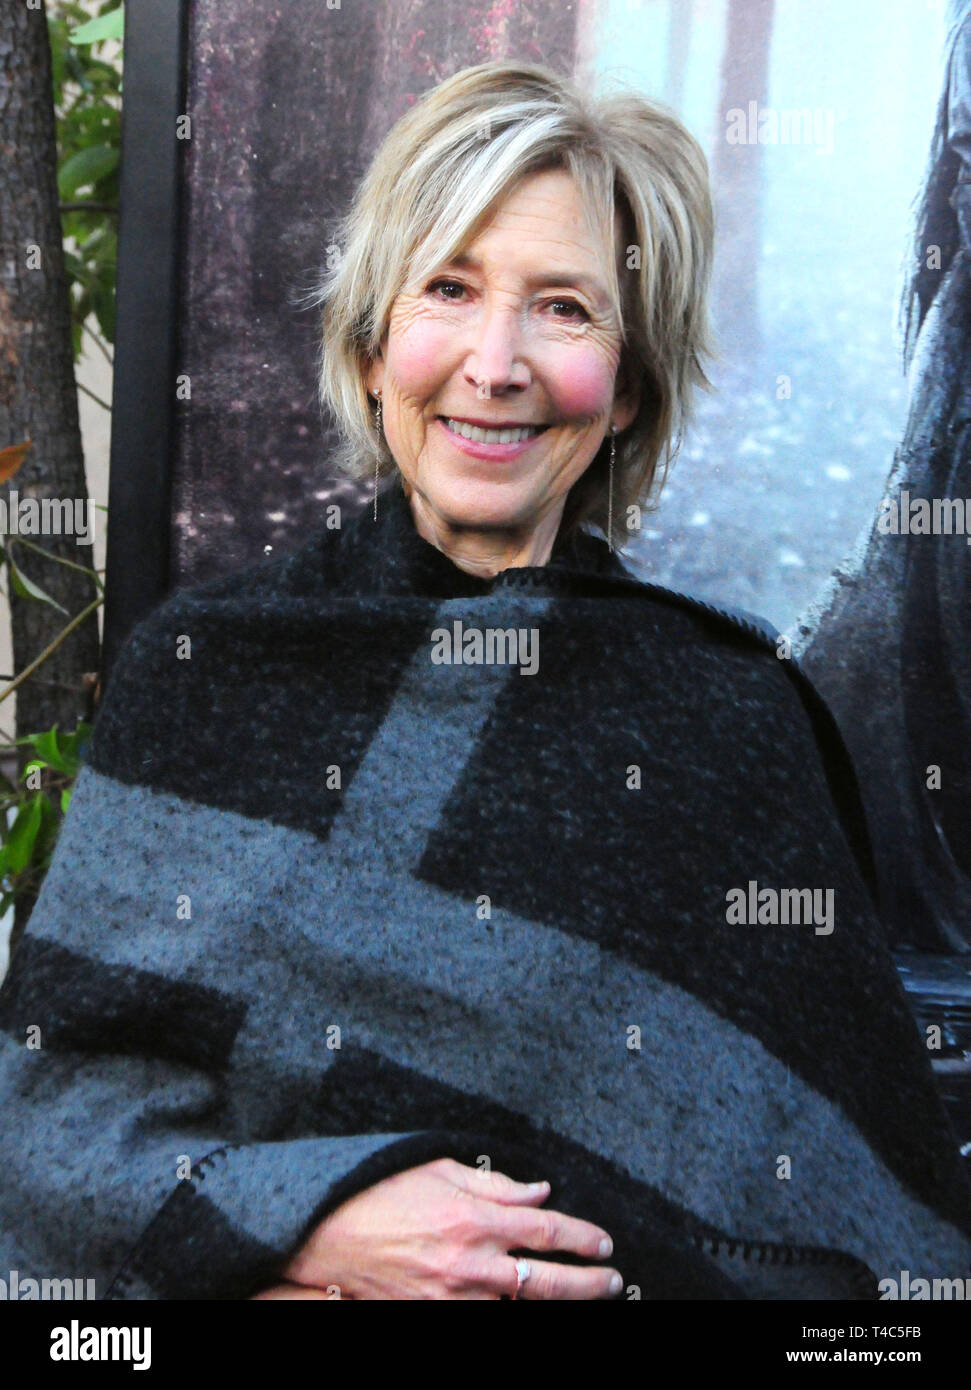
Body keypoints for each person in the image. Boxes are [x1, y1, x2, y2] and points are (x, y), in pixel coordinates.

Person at [1, 61, 970, 1302]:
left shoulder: (731, 718)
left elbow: (847, 1246)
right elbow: (46, 1131)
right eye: (448, 289)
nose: (495, 361)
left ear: (625, 388)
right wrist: (304, 1228)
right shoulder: (201, 673)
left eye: (562, 309)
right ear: (368, 347)